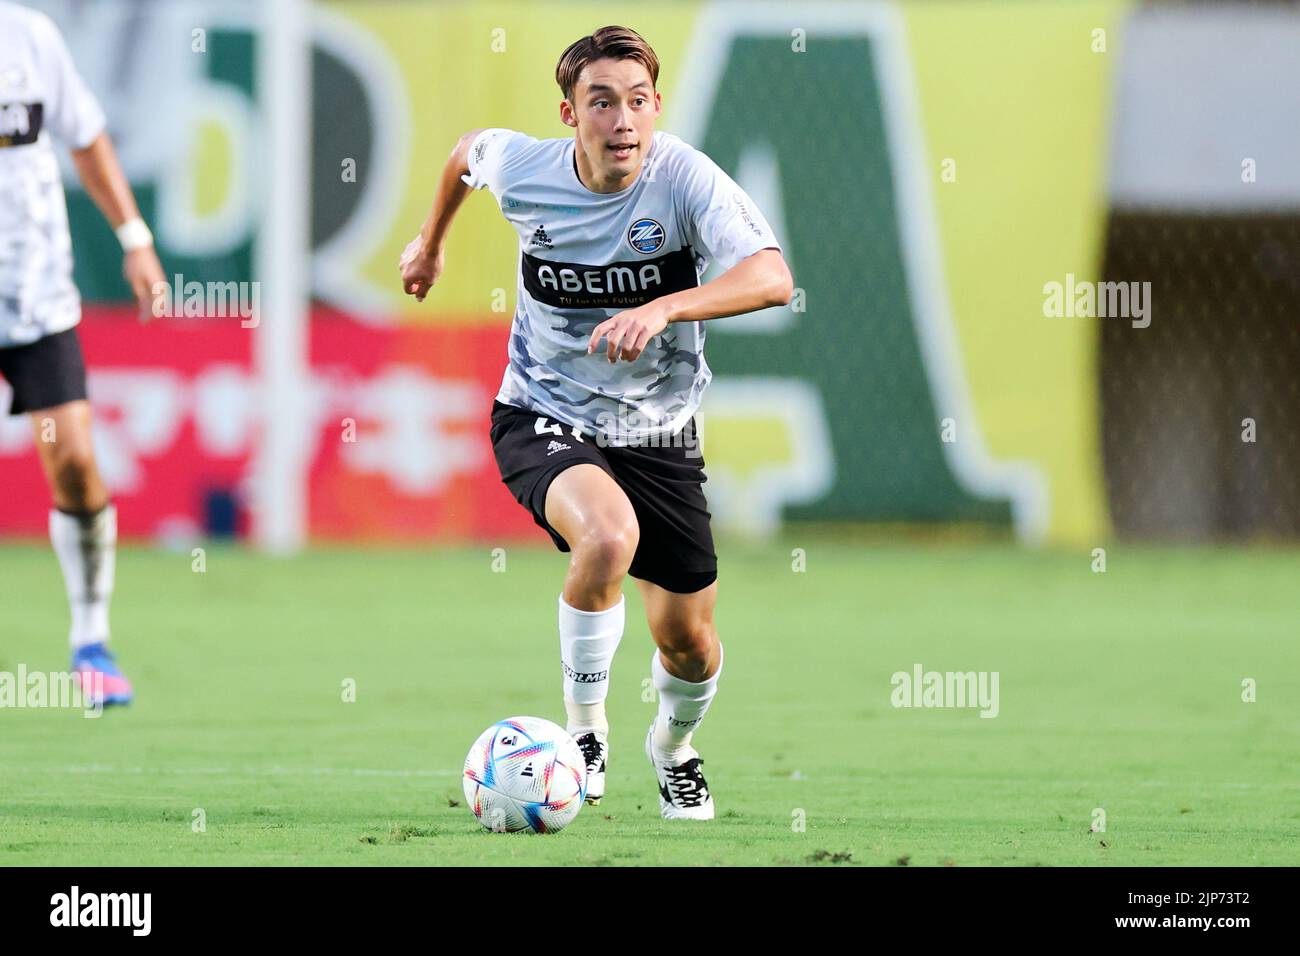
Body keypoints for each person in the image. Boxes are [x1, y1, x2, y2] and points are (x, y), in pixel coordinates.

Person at [399, 25, 791, 819]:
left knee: (689, 642)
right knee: (608, 538)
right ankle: (583, 738)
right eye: (602, 103)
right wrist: (430, 242)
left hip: (660, 433)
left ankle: (673, 748)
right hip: (541, 411)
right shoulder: (524, 168)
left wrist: (666, 305)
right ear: (569, 114)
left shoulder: (685, 178)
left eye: (638, 102)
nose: (623, 121)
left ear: (655, 107)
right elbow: (463, 154)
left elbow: (773, 277)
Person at [0, 1, 166, 706]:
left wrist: (135, 240)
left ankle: (91, 640)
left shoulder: (29, 35)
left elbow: (88, 137)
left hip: (35, 296)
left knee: (73, 462)